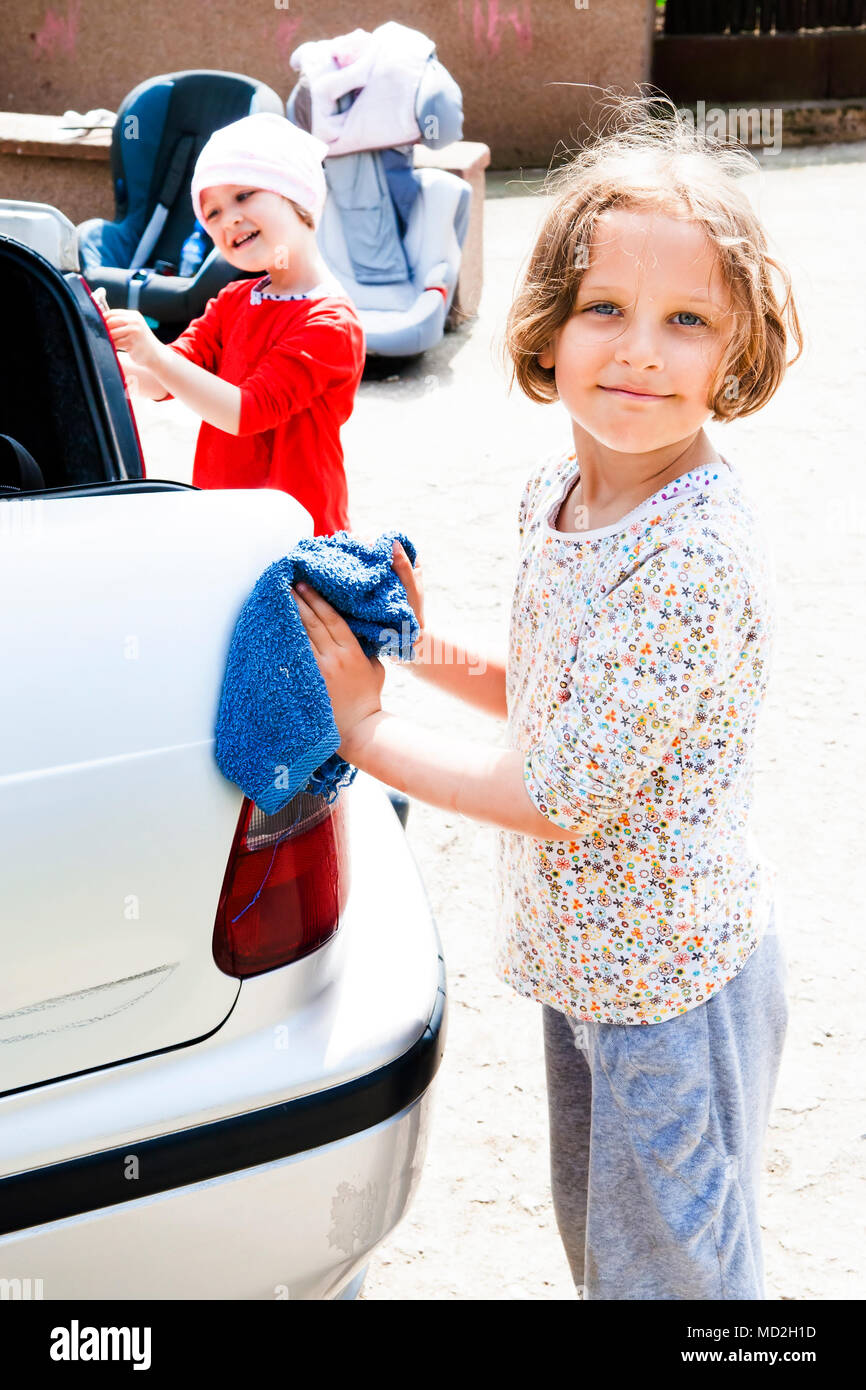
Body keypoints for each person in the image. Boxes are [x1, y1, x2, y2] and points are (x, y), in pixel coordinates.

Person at [289, 95, 802, 1299]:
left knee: (675, 1281)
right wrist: (415, 648)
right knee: (611, 1254)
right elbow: (558, 706)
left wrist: (365, 724)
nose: (637, 349)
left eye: (684, 321)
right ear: (546, 329)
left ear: (735, 354)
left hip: (669, 991)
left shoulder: (687, 558)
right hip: (598, 968)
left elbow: (558, 787)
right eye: (604, 310)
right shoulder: (558, 497)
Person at [105, 112, 365, 535]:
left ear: (297, 195)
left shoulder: (330, 323)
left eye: (244, 195)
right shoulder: (233, 300)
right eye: (212, 213)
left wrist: (152, 353)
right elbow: (163, 378)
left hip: (298, 536)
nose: (228, 219)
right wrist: (99, 355)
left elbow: (246, 412)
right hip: (224, 522)